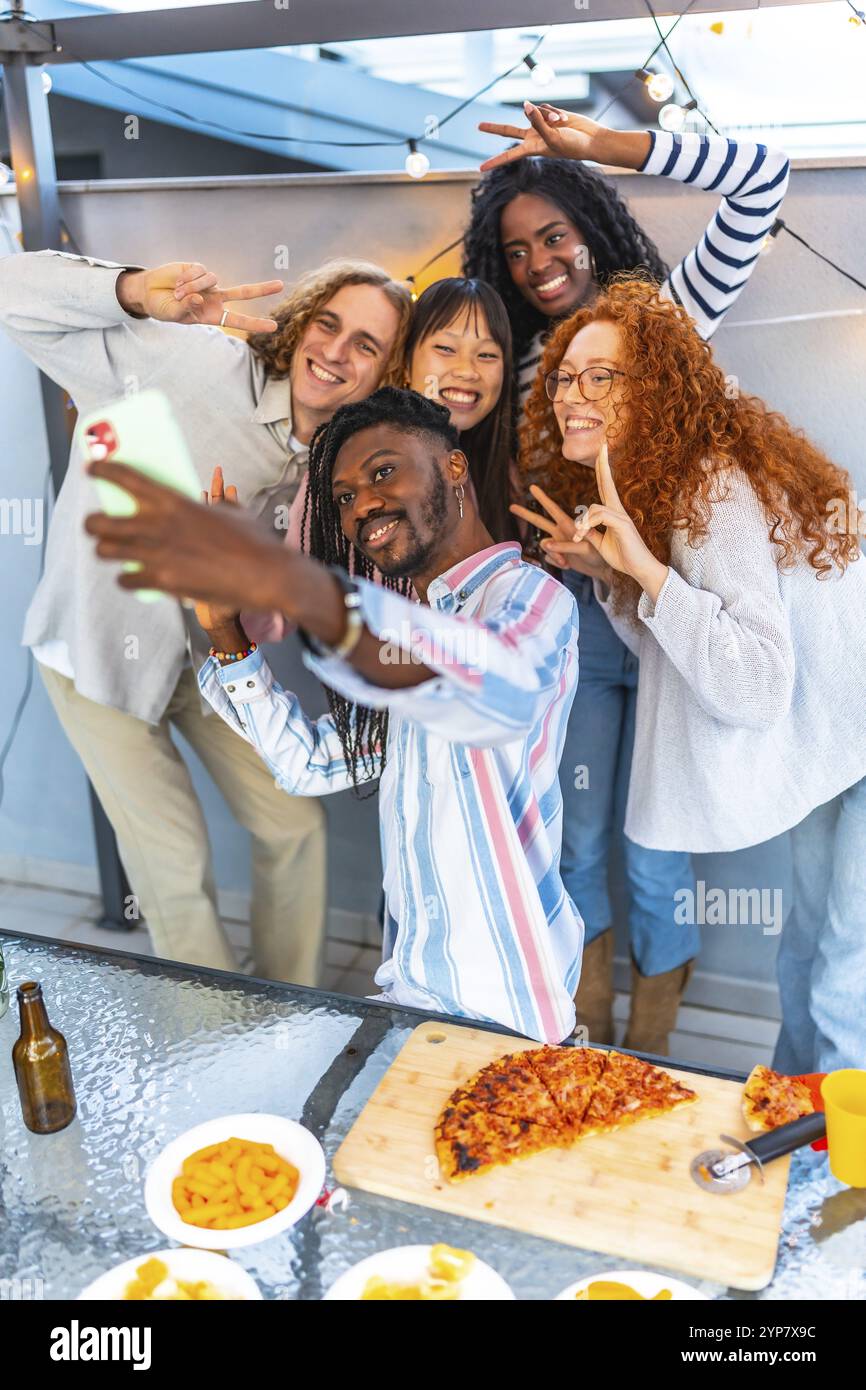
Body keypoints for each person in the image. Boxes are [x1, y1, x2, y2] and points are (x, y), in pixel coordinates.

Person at [84, 388, 583, 1042]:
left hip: (511, 1017)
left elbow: (501, 686)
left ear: (454, 469)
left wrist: (296, 584)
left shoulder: (533, 601)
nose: (362, 506)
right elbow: (310, 764)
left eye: (382, 472)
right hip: (410, 997)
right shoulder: (414, 634)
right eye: (344, 497)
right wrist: (226, 632)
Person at [465, 100, 790, 1051]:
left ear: (592, 228)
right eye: (517, 251)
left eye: (554, 235)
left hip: (687, 623)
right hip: (582, 624)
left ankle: (651, 1057)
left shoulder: (666, 320)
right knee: (577, 840)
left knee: (655, 855)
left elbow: (761, 177)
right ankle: (581, 1044)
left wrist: (605, 145)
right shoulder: (522, 356)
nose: (537, 264)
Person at [0, 250, 411, 981]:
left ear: (386, 373)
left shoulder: (335, 464)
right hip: (94, 652)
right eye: (328, 324)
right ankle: (216, 1051)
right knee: (175, 867)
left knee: (293, 826)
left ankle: (290, 1014)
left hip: (203, 657)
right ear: (300, 323)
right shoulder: (194, 364)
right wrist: (131, 292)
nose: (336, 353)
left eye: (366, 345)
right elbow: (11, 290)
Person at [516, 276, 866, 1072]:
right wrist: (618, 578)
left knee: (846, 974)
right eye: (567, 375)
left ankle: (836, 1184)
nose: (573, 393)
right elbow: (681, 661)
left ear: (656, 388)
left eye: (601, 375)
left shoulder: (709, 486)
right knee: (807, 955)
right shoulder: (667, 479)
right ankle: (797, 1134)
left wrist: (644, 566)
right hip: (842, 731)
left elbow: (754, 686)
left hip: (849, 723)